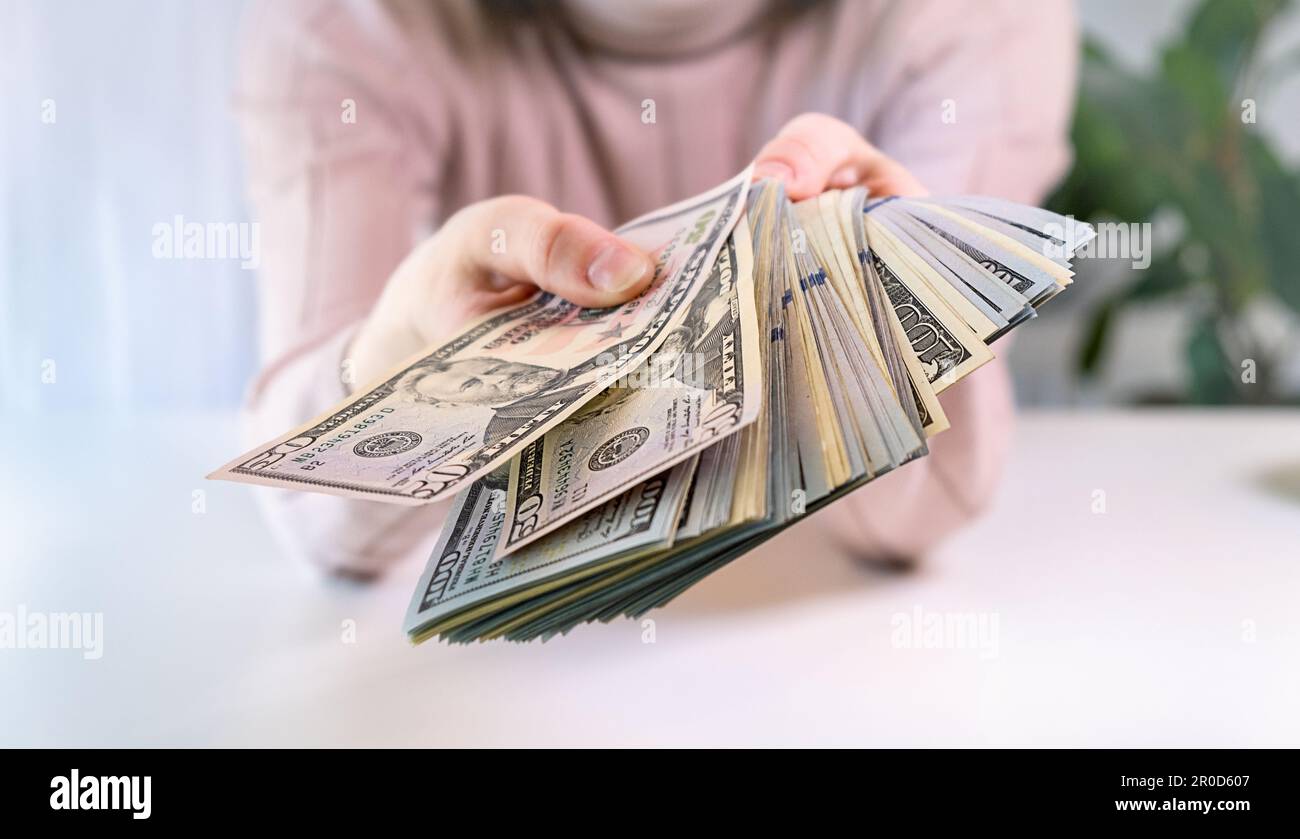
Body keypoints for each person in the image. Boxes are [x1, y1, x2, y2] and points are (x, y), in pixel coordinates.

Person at [235, 0, 1078, 576]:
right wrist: (403, 362)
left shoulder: (977, 19)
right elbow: (318, 520)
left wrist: (889, 314)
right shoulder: (342, 28)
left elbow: (928, 507)